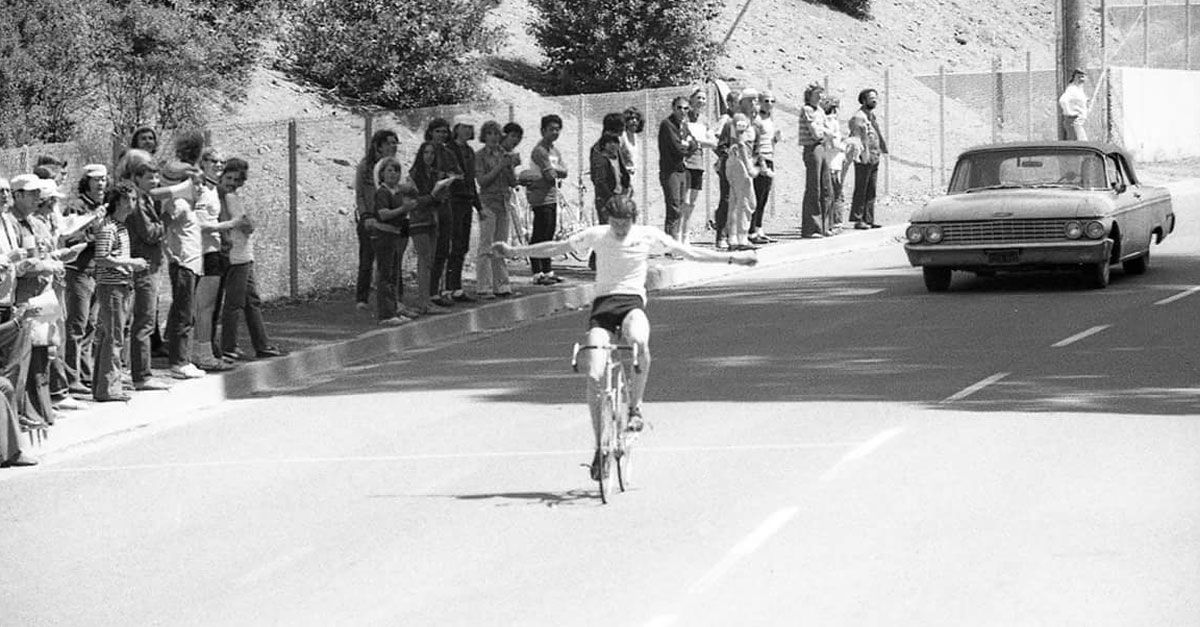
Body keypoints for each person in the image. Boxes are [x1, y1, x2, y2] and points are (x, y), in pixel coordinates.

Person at [491, 195, 756, 481]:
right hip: (603, 308)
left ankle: (635, 407)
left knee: (639, 340)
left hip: (631, 304)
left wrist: (734, 259)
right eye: (615, 224)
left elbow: (687, 252)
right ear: (609, 220)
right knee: (594, 373)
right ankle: (600, 448)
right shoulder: (597, 235)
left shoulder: (647, 236)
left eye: (624, 224)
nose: (619, 229)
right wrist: (513, 251)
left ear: (633, 220)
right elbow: (557, 247)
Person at [217, 158, 285, 361]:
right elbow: (245, 225)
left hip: (244, 254)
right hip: (235, 256)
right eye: (229, 178)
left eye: (237, 180)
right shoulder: (223, 198)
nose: (232, 183)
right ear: (222, 175)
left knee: (251, 301)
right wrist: (246, 223)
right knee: (234, 303)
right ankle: (228, 346)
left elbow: (246, 223)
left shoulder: (231, 196)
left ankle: (261, 344)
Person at [122, 155, 172, 391]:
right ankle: (141, 375)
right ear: (137, 178)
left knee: (144, 321)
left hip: (150, 265)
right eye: (149, 177)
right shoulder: (140, 203)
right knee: (144, 321)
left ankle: (136, 371)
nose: (154, 181)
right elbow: (149, 234)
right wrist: (167, 219)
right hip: (144, 267)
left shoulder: (147, 200)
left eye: (156, 177)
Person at [92, 187, 146, 403]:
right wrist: (131, 262)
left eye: (134, 198)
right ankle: (108, 388)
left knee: (112, 336)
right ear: (118, 202)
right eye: (129, 199)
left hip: (122, 285)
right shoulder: (109, 228)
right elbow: (102, 258)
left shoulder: (121, 227)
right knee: (114, 337)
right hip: (111, 287)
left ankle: (103, 385)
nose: (133, 203)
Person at [158, 162, 207, 379]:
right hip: (183, 264)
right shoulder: (179, 204)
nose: (200, 187)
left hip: (193, 265)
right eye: (196, 183)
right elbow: (161, 227)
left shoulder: (189, 205)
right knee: (183, 313)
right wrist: (170, 254)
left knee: (188, 313)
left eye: (201, 183)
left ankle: (183, 358)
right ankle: (179, 362)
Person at [61, 165, 107, 395]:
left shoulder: (104, 206)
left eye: (104, 180)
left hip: (98, 271)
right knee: (76, 325)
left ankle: (86, 374)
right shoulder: (76, 207)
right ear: (86, 182)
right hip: (79, 271)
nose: (101, 184)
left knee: (91, 325)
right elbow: (69, 238)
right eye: (96, 180)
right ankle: (71, 378)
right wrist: (94, 232)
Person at [193, 147, 239, 371]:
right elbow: (198, 224)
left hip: (213, 248)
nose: (219, 165)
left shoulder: (212, 188)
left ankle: (199, 350)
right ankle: (204, 354)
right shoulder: (200, 188)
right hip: (204, 251)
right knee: (205, 306)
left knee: (206, 306)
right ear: (203, 163)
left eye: (222, 161)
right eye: (214, 161)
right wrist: (228, 225)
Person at [366, 155, 416, 326]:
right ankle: (385, 314)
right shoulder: (383, 192)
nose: (393, 174)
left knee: (393, 274)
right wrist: (403, 209)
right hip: (384, 235)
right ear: (382, 174)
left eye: (396, 171)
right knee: (385, 275)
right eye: (389, 170)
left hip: (395, 234)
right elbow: (383, 214)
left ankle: (393, 309)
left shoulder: (397, 192)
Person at [354, 130, 400, 311]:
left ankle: (395, 299)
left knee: (394, 260)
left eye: (395, 143)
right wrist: (365, 215)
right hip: (371, 218)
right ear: (378, 146)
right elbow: (360, 194)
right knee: (367, 258)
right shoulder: (365, 166)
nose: (393, 146)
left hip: (392, 218)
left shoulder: (395, 166)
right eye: (389, 143)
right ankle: (362, 298)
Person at [407, 141, 453, 315]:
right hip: (419, 220)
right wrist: (433, 196)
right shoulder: (414, 175)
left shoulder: (434, 174)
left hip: (433, 219)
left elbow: (439, 198)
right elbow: (414, 201)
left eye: (432, 153)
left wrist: (441, 193)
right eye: (426, 153)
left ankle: (427, 300)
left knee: (430, 261)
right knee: (424, 259)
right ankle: (423, 301)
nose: (429, 156)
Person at [474, 120, 519, 299]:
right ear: (484, 136)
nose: (493, 137)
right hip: (488, 202)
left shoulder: (504, 153)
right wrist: (500, 166)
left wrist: (511, 167)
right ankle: (483, 286)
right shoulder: (480, 156)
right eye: (489, 133)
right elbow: (482, 181)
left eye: (496, 134)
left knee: (500, 245)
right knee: (486, 245)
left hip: (503, 202)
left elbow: (512, 182)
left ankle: (501, 284)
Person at [425, 118, 464, 307]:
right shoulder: (426, 150)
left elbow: (459, 174)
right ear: (430, 132)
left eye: (444, 131)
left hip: (445, 201)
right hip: (429, 203)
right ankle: (428, 291)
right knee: (430, 249)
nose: (441, 135)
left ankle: (437, 291)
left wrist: (450, 177)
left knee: (443, 248)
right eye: (438, 131)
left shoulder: (448, 153)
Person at [525, 114, 568, 286]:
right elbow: (550, 175)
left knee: (549, 234)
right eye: (551, 129)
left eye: (557, 129)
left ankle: (548, 270)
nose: (555, 132)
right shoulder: (540, 151)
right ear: (543, 131)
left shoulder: (554, 151)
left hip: (552, 196)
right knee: (539, 234)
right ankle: (537, 273)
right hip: (539, 197)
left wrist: (555, 170)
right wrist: (556, 171)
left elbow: (565, 171)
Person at [445, 122, 480, 302]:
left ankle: (456, 286)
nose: (467, 131)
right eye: (464, 127)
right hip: (454, 200)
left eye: (469, 127)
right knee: (454, 243)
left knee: (462, 245)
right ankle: (448, 286)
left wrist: (478, 206)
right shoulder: (449, 149)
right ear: (456, 129)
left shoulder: (469, 151)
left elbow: (471, 180)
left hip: (466, 200)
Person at [657, 96, 698, 240]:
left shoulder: (684, 125)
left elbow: (695, 144)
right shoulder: (667, 124)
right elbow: (677, 149)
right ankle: (670, 243)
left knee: (681, 206)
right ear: (673, 108)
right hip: (670, 172)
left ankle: (676, 240)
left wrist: (688, 144)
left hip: (682, 170)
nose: (682, 111)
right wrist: (686, 145)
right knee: (673, 207)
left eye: (686, 108)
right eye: (679, 108)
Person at [681, 88, 718, 246]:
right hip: (684, 163)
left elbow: (713, 142)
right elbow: (682, 141)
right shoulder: (683, 118)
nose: (701, 101)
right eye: (698, 98)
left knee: (692, 203)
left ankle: (685, 235)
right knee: (683, 201)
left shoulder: (704, 120)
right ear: (691, 99)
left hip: (698, 164)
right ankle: (678, 236)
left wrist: (697, 142)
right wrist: (697, 142)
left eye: (703, 98)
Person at [848, 88, 888, 230]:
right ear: (864, 100)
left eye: (875, 98)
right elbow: (858, 137)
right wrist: (863, 154)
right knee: (862, 187)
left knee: (871, 188)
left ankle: (869, 219)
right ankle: (858, 219)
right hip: (864, 155)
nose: (874, 100)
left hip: (874, 155)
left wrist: (882, 148)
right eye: (871, 98)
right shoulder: (859, 117)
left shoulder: (871, 116)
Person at [798, 82, 834, 238]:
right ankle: (812, 227)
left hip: (823, 147)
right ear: (809, 95)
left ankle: (825, 225)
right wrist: (825, 132)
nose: (820, 96)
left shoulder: (820, 111)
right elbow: (816, 133)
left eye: (821, 93)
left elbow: (829, 131)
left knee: (826, 187)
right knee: (814, 188)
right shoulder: (807, 110)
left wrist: (825, 132)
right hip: (812, 148)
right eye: (816, 93)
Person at [750, 89, 782, 244]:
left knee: (764, 196)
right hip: (759, 158)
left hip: (769, 157)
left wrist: (775, 139)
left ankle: (759, 228)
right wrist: (760, 160)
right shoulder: (756, 119)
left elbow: (769, 140)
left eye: (772, 101)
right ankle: (751, 231)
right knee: (757, 194)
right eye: (766, 101)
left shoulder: (770, 119)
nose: (769, 104)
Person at [724, 114, 760, 251]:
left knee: (735, 202)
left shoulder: (750, 122)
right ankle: (742, 238)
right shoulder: (740, 119)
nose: (754, 105)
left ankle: (733, 238)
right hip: (739, 162)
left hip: (739, 161)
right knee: (747, 201)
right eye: (751, 102)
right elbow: (740, 143)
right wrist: (749, 167)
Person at [711, 88, 741, 249]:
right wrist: (724, 157)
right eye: (737, 102)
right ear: (729, 104)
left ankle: (733, 234)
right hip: (728, 164)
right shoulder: (725, 120)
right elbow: (716, 140)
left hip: (740, 166)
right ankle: (721, 235)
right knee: (727, 199)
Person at [1059, 69, 1089, 141]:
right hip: (1074, 121)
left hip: (1080, 121)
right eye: (1078, 77)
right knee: (1079, 144)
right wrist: (1069, 112)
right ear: (1074, 78)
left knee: (1081, 142)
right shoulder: (1072, 89)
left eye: (1082, 77)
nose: (1081, 79)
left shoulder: (1079, 89)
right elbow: (1063, 100)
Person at [620, 107, 644, 183]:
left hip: (632, 178)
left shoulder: (635, 137)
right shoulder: (621, 136)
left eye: (637, 119)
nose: (634, 121)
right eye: (631, 118)